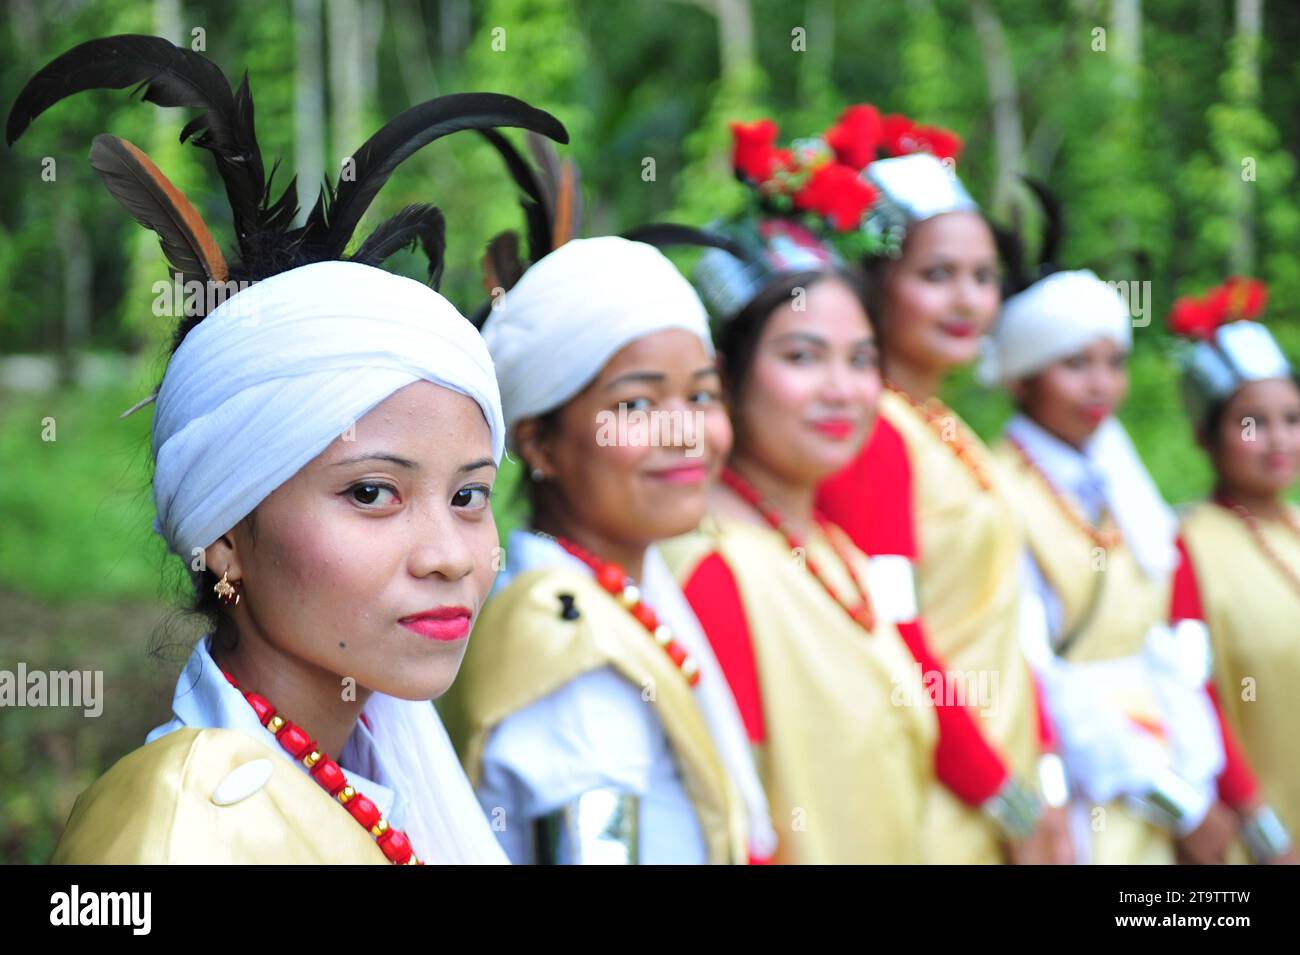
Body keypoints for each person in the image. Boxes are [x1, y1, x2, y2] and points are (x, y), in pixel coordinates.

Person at [8, 33, 566, 863]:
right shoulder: (174, 831)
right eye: (373, 493)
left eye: (468, 495)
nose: (450, 556)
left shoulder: (378, 760)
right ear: (226, 538)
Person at [439, 201, 771, 862]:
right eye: (637, 405)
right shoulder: (571, 648)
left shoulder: (629, 593)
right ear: (539, 443)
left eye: (703, 396)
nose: (686, 431)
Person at [808, 107, 1057, 862]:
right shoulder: (871, 430)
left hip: (995, 779)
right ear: (875, 280)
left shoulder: (943, 423)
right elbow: (897, 636)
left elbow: (1004, 623)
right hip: (938, 796)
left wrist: (1041, 776)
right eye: (936, 275)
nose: (967, 300)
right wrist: (1007, 798)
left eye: (982, 277)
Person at [984, 268, 1250, 864]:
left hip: (1171, 757)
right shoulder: (1001, 490)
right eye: (1075, 364)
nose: (1100, 384)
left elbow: (1165, 641)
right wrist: (1170, 797)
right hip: (1083, 779)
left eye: (1114, 362)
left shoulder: (1121, 481)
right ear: (1024, 378)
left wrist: (1197, 778)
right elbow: (1034, 670)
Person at [1167, 277, 1299, 864]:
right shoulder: (1185, 543)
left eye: (1292, 419)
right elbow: (1191, 692)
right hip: (1259, 840)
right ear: (1206, 433)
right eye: (1252, 424)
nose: (1277, 440)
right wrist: (1261, 827)